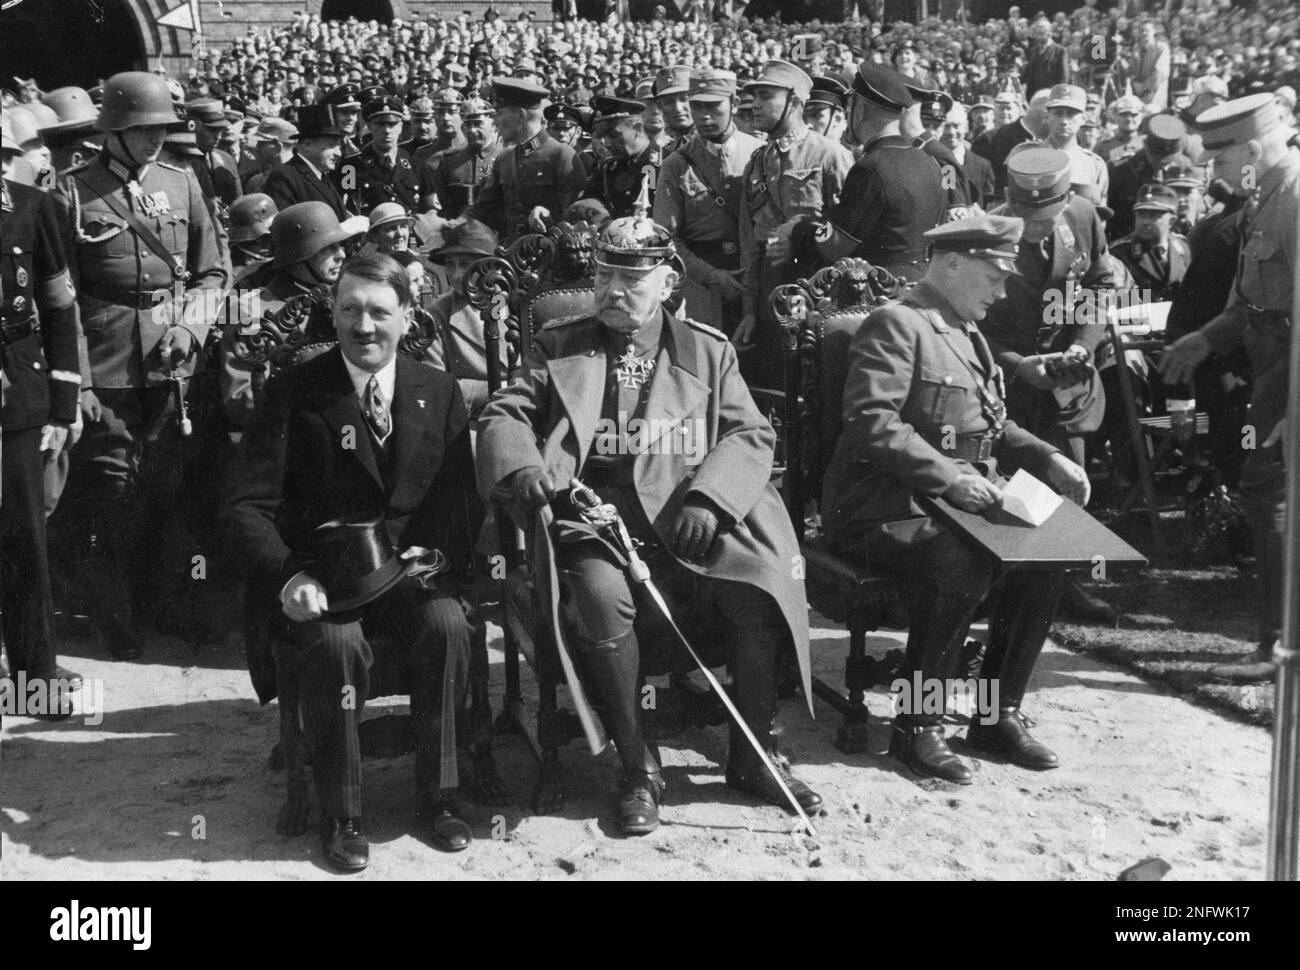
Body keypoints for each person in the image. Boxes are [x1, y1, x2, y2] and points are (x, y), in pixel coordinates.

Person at [475, 201, 821, 835]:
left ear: (668, 282)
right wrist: (523, 466)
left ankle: (753, 755)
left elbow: (748, 432)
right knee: (603, 601)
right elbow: (504, 415)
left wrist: (711, 499)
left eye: (631, 280)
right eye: (605, 277)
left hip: (686, 517)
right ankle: (638, 766)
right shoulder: (560, 343)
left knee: (761, 585)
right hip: (595, 519)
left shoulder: (707, 351)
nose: (612, 291)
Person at [224, 251, 478, 870]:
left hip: (410, 577)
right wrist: (289, 576)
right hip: (324, 582)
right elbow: (244, 506)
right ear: (332, 315)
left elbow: (459, 503)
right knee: (336, 648)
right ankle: (343, 813)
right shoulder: (293, 394)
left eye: (380, 312)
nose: (365, 327)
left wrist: (435, 556)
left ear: (407, 315)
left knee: (448, 628)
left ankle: (439, 795)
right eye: (350, 311)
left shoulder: (438, 391)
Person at [821, 215, 1090, 782]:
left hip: (956, 500)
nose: (1001, 291)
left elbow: (991, 425)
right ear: (950, 264)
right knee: (960, 561)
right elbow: (872, 422)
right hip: (881, 505)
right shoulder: (896, 324)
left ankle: (995, 716)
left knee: (1048, 555)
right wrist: (949, 478)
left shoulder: (964, 330)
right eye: (994, 277)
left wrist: (1048, 458)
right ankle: (916, 726)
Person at [53, 71, 227, 660]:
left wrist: (190, 326)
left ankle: (161, 604)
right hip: (104, 368)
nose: (155, 140)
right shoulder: (73, 191)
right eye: (143, 129)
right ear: (115, 132)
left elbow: (213, 271)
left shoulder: (183, 184)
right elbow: (63, 298)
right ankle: (116, 618)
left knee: (166, 491)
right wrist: (74, 377)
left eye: (161, 129)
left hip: (172, 368)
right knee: (110, 492)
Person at [1160, 93, 1297, 683]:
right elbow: (1250, 302)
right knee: (1269, 494)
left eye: (1218, 160)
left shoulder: (1293, 201)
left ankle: (1275, 647)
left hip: (1289, 377)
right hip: (1271, 368)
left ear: (1255, 150)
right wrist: (1203, 341)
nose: (1211, 172)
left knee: (1270, 493)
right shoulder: (1263, 198)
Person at [979, 146, 1117, 623]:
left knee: (1069, 475)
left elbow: (1100, 281)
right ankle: (1001, 585)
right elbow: (967, 328)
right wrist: (1018, 365)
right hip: (1006, 385)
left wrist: (1082, 343)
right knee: (1010, 481)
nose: (1035, 224)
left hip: (1065, 382)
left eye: (1046, 214)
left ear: (1065, 199)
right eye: (1025, 213)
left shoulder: (1082, 216)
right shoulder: (984, 234)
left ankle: (1063, 583)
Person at [2, 126, 83, 718]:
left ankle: (34, 680)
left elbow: (58, 308)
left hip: (17, 395)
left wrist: (62, 402)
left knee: (22, 542)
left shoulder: (33, 207)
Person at [736, 60, 853, 387]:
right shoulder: (757, 162)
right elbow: (749, 245)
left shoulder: (830, 156)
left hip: (819, 288)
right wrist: (749, 310)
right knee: (775, 382)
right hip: (770, 293)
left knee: (816, 383)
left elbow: (851, 233)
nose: (755, 104)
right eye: (754, 96)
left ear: (796, 102)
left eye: (765, 95)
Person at [789, 63, 944, 283]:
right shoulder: (929, 160)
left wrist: (797, 232)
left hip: (879, 292)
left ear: (859, 110)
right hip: (923, 283)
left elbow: (834, 247)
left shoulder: (870, 168)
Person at [652, 67, 762, 336]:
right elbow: (665, 238)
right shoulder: (675, 165)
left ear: (734, 104)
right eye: (697, 106)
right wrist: (711, 275)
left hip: (755, 276)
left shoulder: (759, 153)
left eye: (713, 107)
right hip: (700, 283)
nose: (703, 116)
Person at [461, 77, 586, 244]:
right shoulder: (505, 158)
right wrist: (451, 226)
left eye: (499, 114)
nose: (496, 122)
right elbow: (481, 210)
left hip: (551, 257)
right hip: (511, 256)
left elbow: (576, 218)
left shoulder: (562, 156)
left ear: (520, 115)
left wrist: (549, 216)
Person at [422, 220, 508, 419]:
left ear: (492, 267)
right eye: (451, 264)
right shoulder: (438, 314)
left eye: (466, 265)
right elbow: (436, 387)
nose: (456, 274)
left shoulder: (516, 302)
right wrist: (503, 388)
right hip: (470, 421)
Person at [339, 96, 434, 216]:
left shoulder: (417, 165)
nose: (386, 130)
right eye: (380, 124)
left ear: (400, 126)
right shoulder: (350, 168)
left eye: (392, 124)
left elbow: (430, 211)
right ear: (369, 126)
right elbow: (345, 210)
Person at [1106, 114, 1192, 241]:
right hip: (1126, 242)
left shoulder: (1183, 165)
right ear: (1146, 146)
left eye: (1168, 158)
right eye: (1156, 156)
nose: (1162, 162)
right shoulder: (1120, 169)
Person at [262, 104, 350, 222]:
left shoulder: (322, 175)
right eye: (331, 145)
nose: (338, 153)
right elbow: (288, 225)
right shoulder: (283, 176)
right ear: (308, 144)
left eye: (339, 146)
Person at [582, 95, 662, 219]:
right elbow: (587, 201)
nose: (607, 143)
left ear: (638, 129)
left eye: (614, 134)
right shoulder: (607, 167)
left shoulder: (662, 163)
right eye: (603, 136)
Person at [242, 117, 299, 196]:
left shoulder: (301, 180)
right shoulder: (256, 182)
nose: (257, 148)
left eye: (262, 144)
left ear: (278, 147)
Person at [654, 65, 696, 154]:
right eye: (669, 102)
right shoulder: (666, 144)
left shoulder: (710, 143)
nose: (678, 108)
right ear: (660, 106)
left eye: (684, 99)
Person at [1022, 18, 1071, 95]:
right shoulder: (1033, 51)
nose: (1038, 37)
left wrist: (1059, 93)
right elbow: (1027, 73)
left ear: (1049, 33)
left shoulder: (1060, 51)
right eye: (1037, 34)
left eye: (1041, 34)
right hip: (1033, 94)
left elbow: (1063, 76)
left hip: (1051, 93)